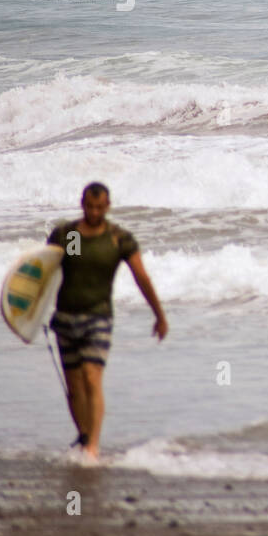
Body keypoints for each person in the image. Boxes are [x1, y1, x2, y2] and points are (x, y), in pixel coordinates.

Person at [46, 182, 167, 460]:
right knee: (74, 386)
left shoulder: (117, 239)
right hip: (65, 316)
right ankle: (84, 437)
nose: (94, 212)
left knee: (91, 377)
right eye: (89, 206)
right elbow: (43, 273)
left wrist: (159, 316)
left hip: (98, 317)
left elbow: (141, 277)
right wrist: (27, 314)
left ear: (108, 206)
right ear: (82, 203)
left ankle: (92, 447)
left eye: (100, 207)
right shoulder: (69, 236)